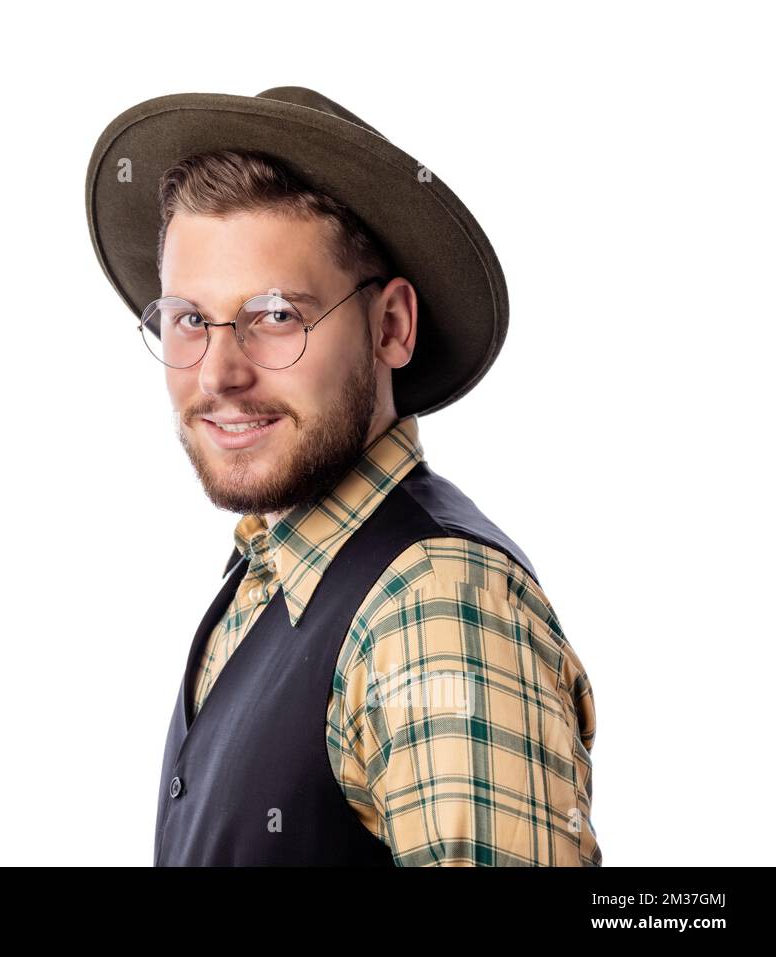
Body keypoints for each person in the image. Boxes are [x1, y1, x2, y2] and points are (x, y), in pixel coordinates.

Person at [85, 87, 601, 866]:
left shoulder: (432, 604)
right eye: (190, 318)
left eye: (275, 316)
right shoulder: (269, 574)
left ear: (390, 325)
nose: (220, 374)